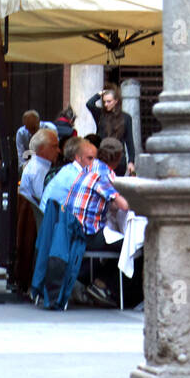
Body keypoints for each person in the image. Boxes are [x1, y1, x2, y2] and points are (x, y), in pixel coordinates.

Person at [32, 138, 129, 311]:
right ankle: (104, 285)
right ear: (119, 159)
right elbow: (124, 205)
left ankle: (95, 283)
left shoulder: (86, 171)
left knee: (115, 240)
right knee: (128, 245)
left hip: (68, 230)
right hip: (82, 235)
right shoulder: (103, 175)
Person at [39, 135, 98, 213]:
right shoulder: (76, 177)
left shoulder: (68, 169)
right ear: (78, 157)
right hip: (54, 222)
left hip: (49, 218)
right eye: (90, 158)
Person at [86, 85, 136, 175]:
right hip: (102, 158)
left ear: (116, 101)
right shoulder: (100, 115)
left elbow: (129, 141)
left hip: (118, 159)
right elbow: (89, 104)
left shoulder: (126, 118)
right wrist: (99, 94)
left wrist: (131, 161)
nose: (106, 104)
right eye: (104, 102)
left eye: (109, 101)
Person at [18, 127, 59, 217]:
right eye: (54, 146)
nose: (58, 150)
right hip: (36, 219)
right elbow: (44, 199)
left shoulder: (39, 165)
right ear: (42, 148)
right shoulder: (38, 169)